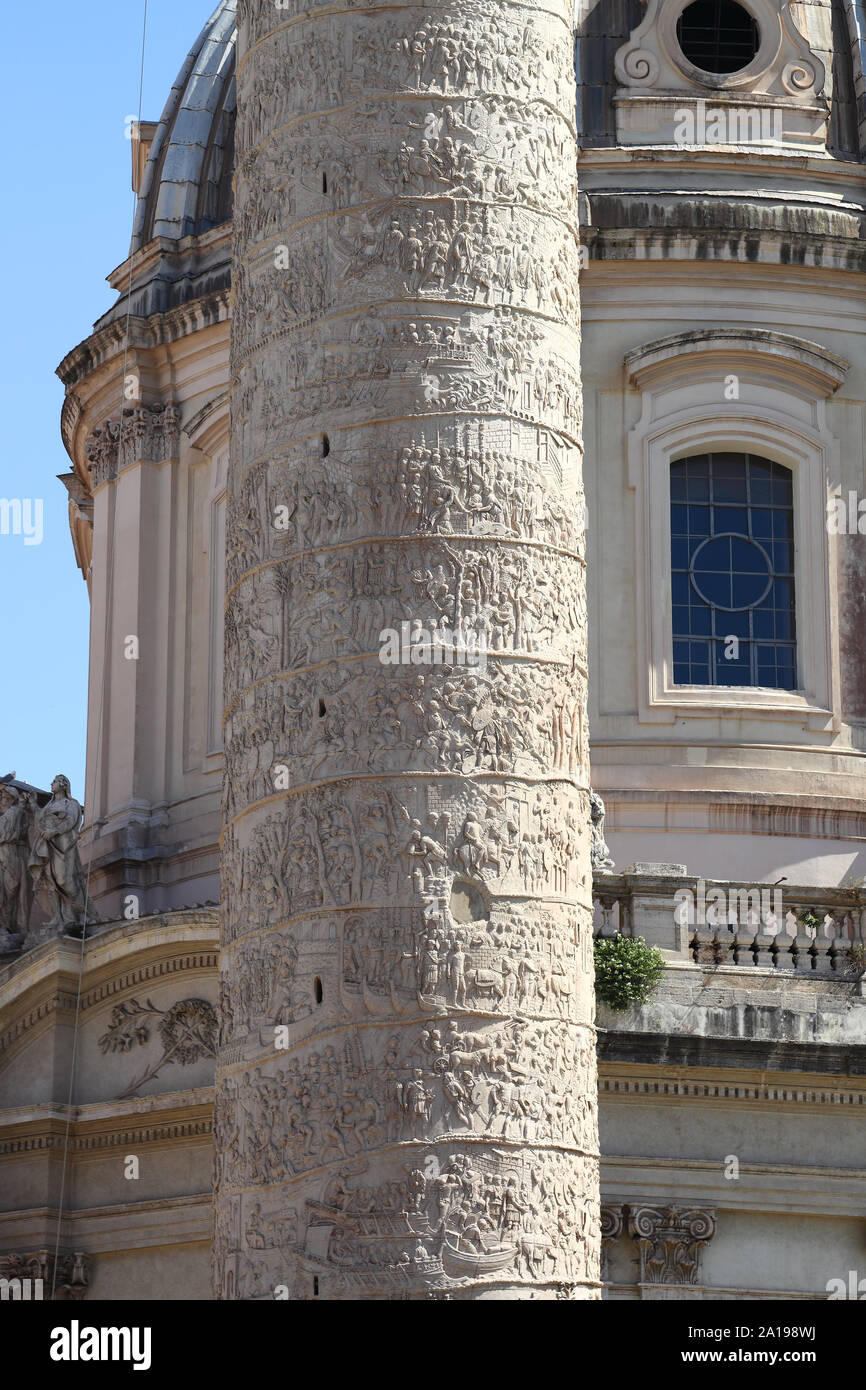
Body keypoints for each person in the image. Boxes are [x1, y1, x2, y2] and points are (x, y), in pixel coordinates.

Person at [29, 775, 88, 932]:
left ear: (63, 784)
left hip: (64, 846)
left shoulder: (71, 804)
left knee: (64, 880)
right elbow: (40, 819)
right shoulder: (49, 805)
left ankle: (81, 913)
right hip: (47, 845)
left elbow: (72, 821)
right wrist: (33, 804)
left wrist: (54, 831)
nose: (51, 784)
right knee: (50, 882)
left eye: (54, 782)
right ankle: (58, 918)